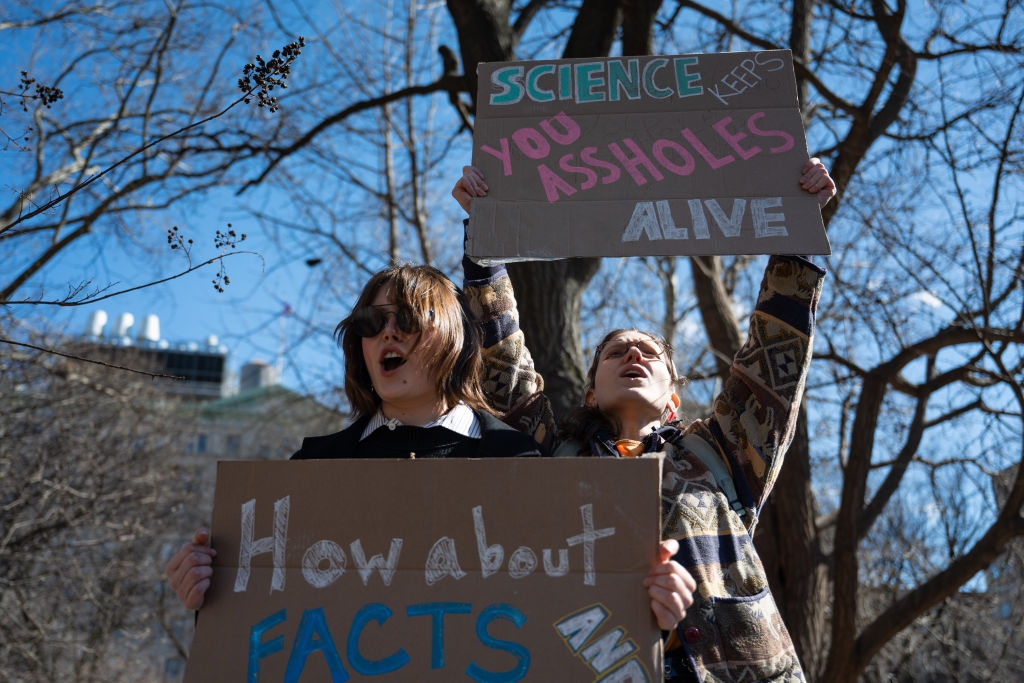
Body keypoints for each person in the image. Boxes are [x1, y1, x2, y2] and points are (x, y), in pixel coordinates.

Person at [453, 159, 836, 681]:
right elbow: (503, 362)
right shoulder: (549, 455)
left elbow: (775, 350)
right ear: (589, 394)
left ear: (674, 401)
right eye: (616, 352)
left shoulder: (723, 451)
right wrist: (486, 238)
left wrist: (799, 225)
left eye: (650, 352)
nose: (633, 354)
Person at [165, 263, 694, 634]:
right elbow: (262, 635)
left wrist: (644, 607)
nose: (388, 332)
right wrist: (207, 597)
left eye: (409, 319)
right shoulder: (311, 471)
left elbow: (572, 617)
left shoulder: (524, 465)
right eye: (373, 323)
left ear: (455, 338)